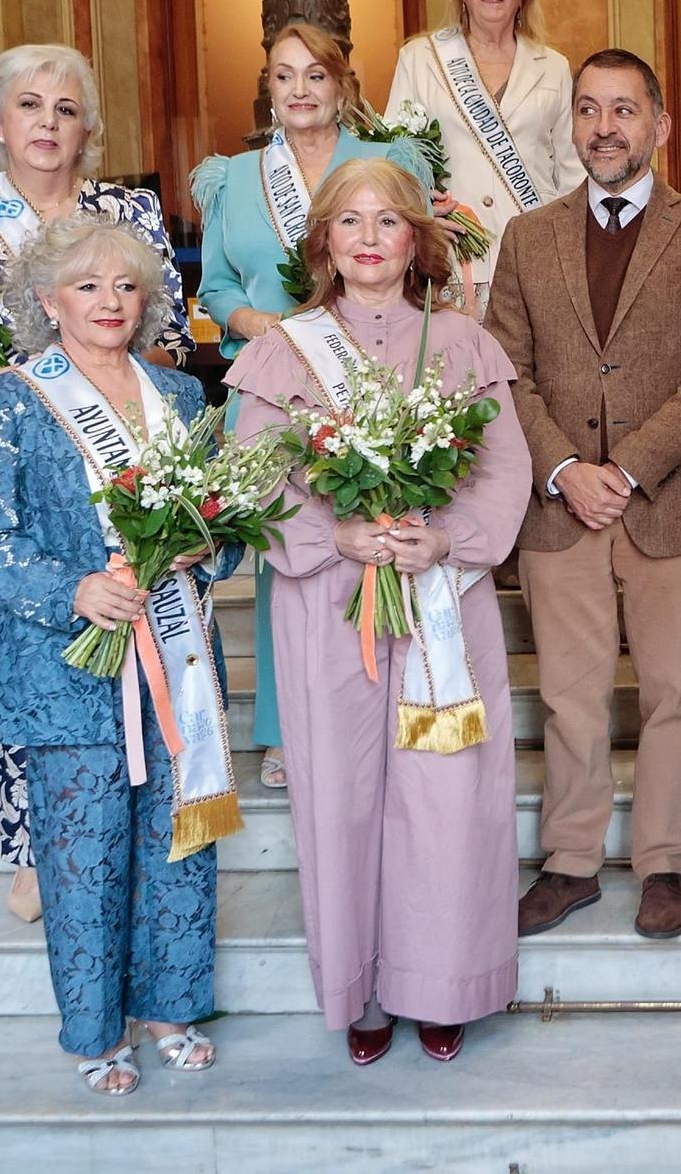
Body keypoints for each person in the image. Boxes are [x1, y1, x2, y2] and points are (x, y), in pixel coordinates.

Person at [228, 158, 531, 1065]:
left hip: (442, 598)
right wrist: (337, 536)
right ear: (323, 241)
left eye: (388, 220)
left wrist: (447, 539)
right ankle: (359, 985)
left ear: (416, 239)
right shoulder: (285, 349)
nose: (368, 237)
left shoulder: (466, 343)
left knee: (446, 795)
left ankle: (438, 980)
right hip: (329, 605)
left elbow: (503, 469)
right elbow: (254, 479)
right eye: (349, 222)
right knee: (343, 796)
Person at [0, 216, 242, 1095]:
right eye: (87, 286)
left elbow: (229, 526)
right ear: (48, 301)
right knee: (85, 851)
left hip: (179, 655)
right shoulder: (13, 399)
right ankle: (94, 1028)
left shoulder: (183, 400)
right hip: (65, 668)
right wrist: (75, 590)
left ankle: (172, 1005)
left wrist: (205, 549)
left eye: (125, 286)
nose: (110, 302)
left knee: (179, 840)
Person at [0, 42, 192, 923]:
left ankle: (137, 821)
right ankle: (34, 844)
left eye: (65, 109)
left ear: (89, 128)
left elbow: (171, 339)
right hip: (5, 485)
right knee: (24, 662)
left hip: (124, 472)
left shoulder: (130, 212)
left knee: (139, 652)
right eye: (29, 106)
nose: (46, 124)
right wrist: (36, 398)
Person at [487, 49, 681, 941]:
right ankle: (570, 862)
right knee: (570, 693)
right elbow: (506, 372)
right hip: (560, 506)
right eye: (590, 110)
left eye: (625, 110)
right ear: (574, 125)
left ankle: (664, 863)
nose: (606, 127)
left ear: (659, 125)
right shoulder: (528, 236)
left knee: (673, 689)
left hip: (666, 503)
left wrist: (628, 467)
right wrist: (563, 467)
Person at [192, 22, 433, 792]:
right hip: (274, 385)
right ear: (268, 88)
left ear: (343, 85)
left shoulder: (389, 162)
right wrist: (262, 325)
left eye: (315, 76)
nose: (299, 90)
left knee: (380, 535)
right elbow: (217, 290)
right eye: (283, 76)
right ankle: (284, 722)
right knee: (287, 554)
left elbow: (422, 258)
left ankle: (392, 695)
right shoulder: (231, 175)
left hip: (376, 380)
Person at [385, 0, 583, 317]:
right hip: (451, 251)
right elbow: (395, 161)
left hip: (535, 253)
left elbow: (571, 168)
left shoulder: (554, 66)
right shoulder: (422, 58)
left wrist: (567, 244)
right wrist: (421, 213)